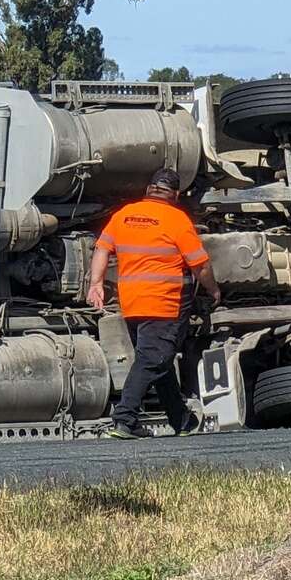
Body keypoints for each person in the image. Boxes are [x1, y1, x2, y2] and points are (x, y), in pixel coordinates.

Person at [88, 167, 223, 438]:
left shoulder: (123, 216)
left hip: (133, 304)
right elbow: (200, 265)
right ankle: (125, 420)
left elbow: (102, 248)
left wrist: (96, 284)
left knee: (159, 361)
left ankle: (181, 420)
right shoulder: (176, 219)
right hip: (165, 303)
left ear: (149, 189)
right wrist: (214, 290)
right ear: (175, 194)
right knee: (153, 359)